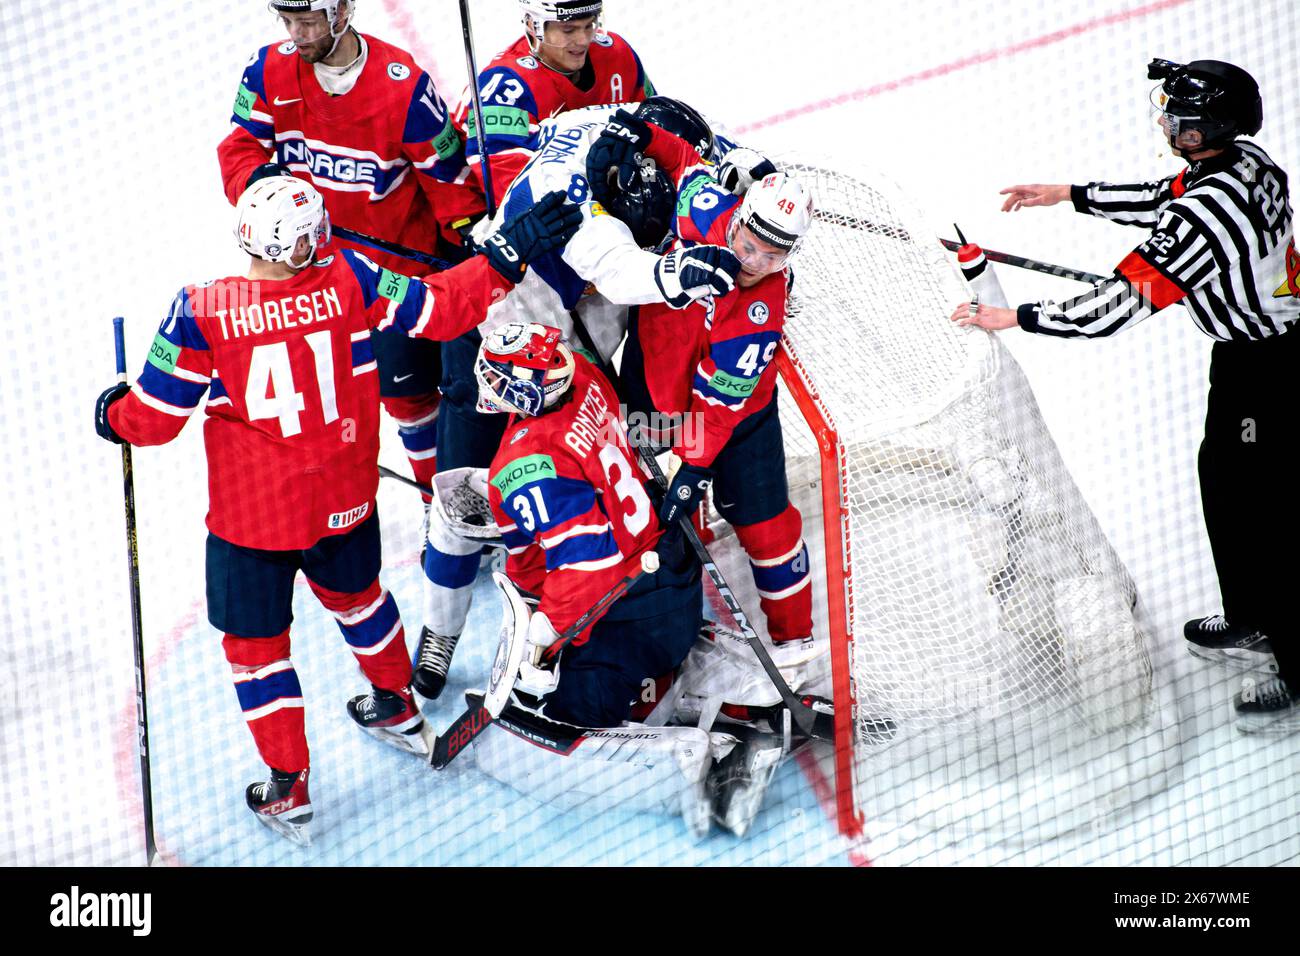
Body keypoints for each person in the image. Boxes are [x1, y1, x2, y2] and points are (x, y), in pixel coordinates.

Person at [93, 177, 579, 844]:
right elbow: (441, 310)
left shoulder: (200, 310)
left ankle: (288, 785)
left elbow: (153, 421)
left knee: (256, 649)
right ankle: (397, 709)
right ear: (301, 241)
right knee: (362, 601)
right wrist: (505, 253)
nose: (326, 239)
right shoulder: (350, 277)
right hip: (344, 499)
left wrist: (112, 413)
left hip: (252, 521)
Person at [950, 58, 1300, 734]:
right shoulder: (1244, 163)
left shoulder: (1206, 216)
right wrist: (1069, 194)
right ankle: (1255, 618)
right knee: (1226, 482)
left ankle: (1295, 665)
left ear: (1205, 130)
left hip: (1271, 373)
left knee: (1267, 510)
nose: (1166, 122)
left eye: (1178, 116)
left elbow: (1118, 306)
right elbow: (1166, 196)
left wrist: (1016, 316)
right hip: (1253, 361)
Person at [412, 97, 752, 699]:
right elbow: (623, 272)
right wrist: (679, 275)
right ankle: (443, 633)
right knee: (459, 508)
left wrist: (745, 172)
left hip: (572, 355)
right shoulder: (594, 224)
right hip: (497, 349)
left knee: (595, 475)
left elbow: (693, 142)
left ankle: (592, 606)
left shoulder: (609, 128)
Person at [217, 0, 485, 497]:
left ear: (342, 10)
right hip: (301, 276)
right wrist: (259, 184)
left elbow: (450, 185)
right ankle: (303, 505)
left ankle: (439, 500)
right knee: (299, 400)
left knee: (409, 395)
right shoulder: (267, 70)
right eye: (288, 20)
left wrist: (470, 245)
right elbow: (240, 148)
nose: (296, 33)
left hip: (388, 273)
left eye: (309, 20)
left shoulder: (403, 88)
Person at [621, 169, 821, 672]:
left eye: (773, 257)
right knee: (637, 501)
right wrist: (638, 132)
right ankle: (670, 610)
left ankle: (795, 644)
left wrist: (693, 470)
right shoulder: (706, 206)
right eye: (750, 245)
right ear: (738, 219)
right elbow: (683, 154)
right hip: (653, 389)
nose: (754, 264)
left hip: (736, 420)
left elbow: (717, 411)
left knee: (765, 526)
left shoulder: (760, 312)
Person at [458, 0, 655, 209]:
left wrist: (651, 183)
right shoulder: (504, 87)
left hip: (613, 197)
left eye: (589, 25)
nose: (583, 40)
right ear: (533, 26)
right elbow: (515, 196)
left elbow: (656, 127)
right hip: (532, 218)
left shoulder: (617, 53)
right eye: (568, 30)